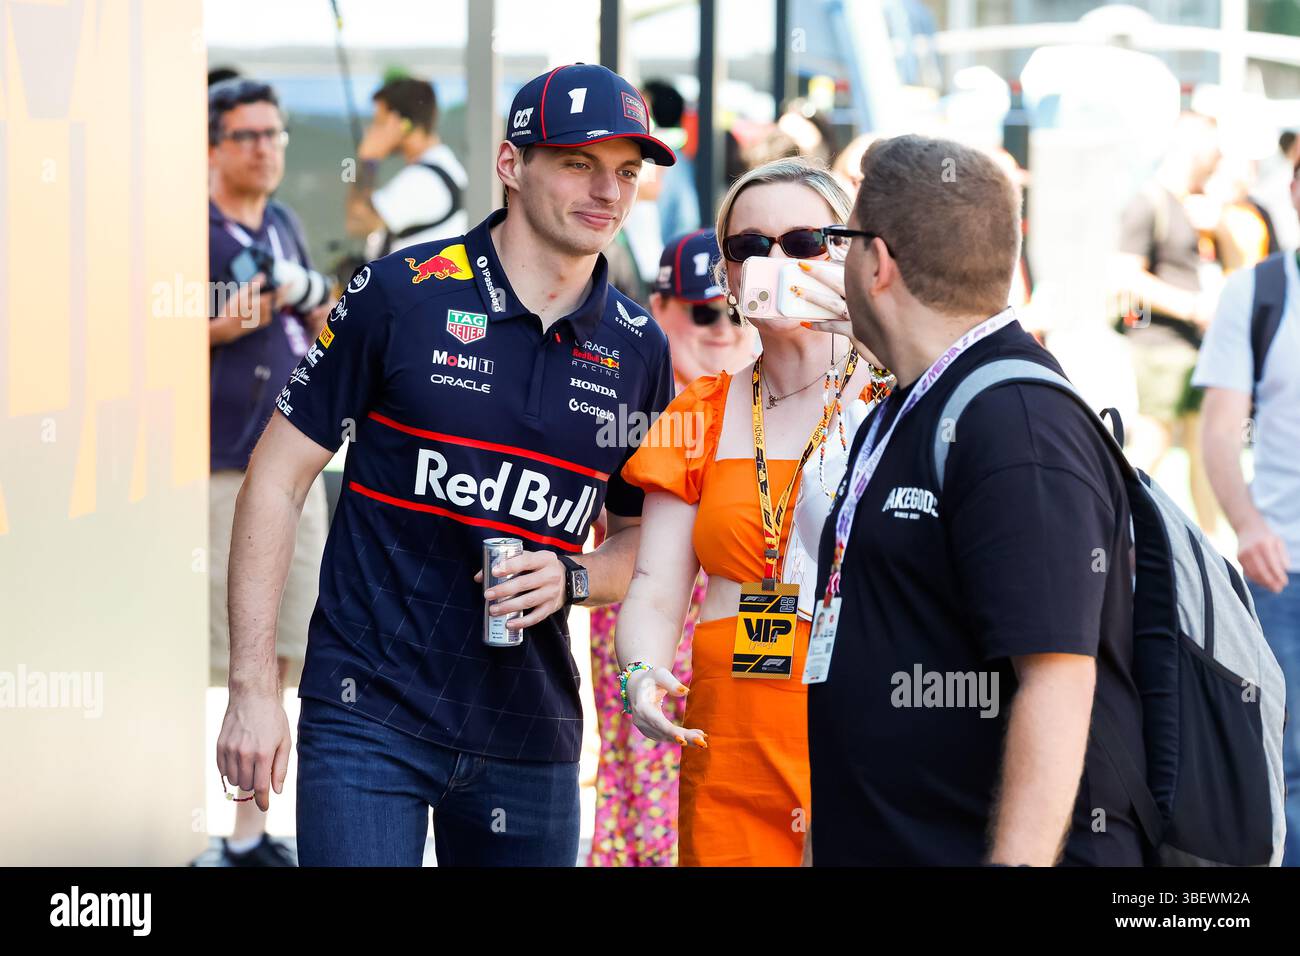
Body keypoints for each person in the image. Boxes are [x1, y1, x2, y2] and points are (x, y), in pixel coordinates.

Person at [215, 63, 678, 867]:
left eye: (627, 172)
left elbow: (642, 544)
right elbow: (277, 478)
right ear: (510, 165)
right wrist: (254, 687)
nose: (608, 191)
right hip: (368, 715)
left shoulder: (639, 347)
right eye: (578, 163)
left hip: (529, 729)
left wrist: (570, 577)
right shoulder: (401, 294)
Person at [807, 133, 1144, 866]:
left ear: (878, 262)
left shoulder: (1015, 422)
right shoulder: (917, 401)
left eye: (841, 241)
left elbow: (1057, 679)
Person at [614, 158, 884, 866]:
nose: (774, 260)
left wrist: (870, 336)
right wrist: (638, 672)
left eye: (803, 243)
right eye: (748, 246)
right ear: (727, 276)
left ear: (849, 253)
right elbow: (652, 587)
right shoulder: (696, 410)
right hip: (729, 749)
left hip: (864, 744)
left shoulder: (894, 395)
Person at [587, 230, 751, 867]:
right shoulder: (640, 397)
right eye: (701, 310)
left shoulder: (766, 395)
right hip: (650, 618)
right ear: (661, 307)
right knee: (645, 784)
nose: (720, 327)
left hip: (742, 626)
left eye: (732, 309)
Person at [205, 77, 332, 867]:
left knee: (283, 647)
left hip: (295, 470)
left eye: (276, 133)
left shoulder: (282, 222)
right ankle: (204, 829)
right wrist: (223, 324)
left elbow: (322, 321)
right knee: (218, 655)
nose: (266, 148)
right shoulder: (189, 229)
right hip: (215, 470)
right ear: (214, 144)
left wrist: (316, 305)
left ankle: (250, 834)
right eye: (248, 135)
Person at [1194, 153, 1300, 865]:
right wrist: (1249, 525)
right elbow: (1219, 433)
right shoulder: (1260, 291)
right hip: (1283, 576)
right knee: (1284, 770)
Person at [1112, 112, 1223, 530]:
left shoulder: (1188, 204)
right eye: (1213, 146)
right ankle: (1111, 525)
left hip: (1191, 347)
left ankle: (1214, 553)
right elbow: (1125, 276)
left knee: (1203, 446)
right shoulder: (1148, 201)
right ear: (1192, 146)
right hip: (1160, 347)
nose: (1218, 157)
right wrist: (1193, 308)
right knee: (1153, 441)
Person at [346, 76, 469, 261]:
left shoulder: (423, 180)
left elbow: (357, 222)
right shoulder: (442, 165)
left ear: (402, 124)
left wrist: (368, 160)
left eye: (379, 122)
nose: (372, 130)